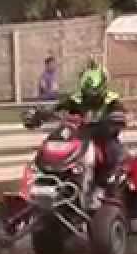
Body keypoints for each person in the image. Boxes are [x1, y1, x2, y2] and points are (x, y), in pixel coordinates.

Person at [24, 63, 127, 204]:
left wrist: (114, 119)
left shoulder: (112, 100)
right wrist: (41, 114)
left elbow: (121, 115)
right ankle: (43, 183)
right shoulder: (75, 99)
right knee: (51, 144)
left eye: (94, 90)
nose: (90, 95)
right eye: (87, 90)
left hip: (102, 137)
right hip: (76, 137)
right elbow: (56, 108)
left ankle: (106, 191)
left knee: (113, 153)